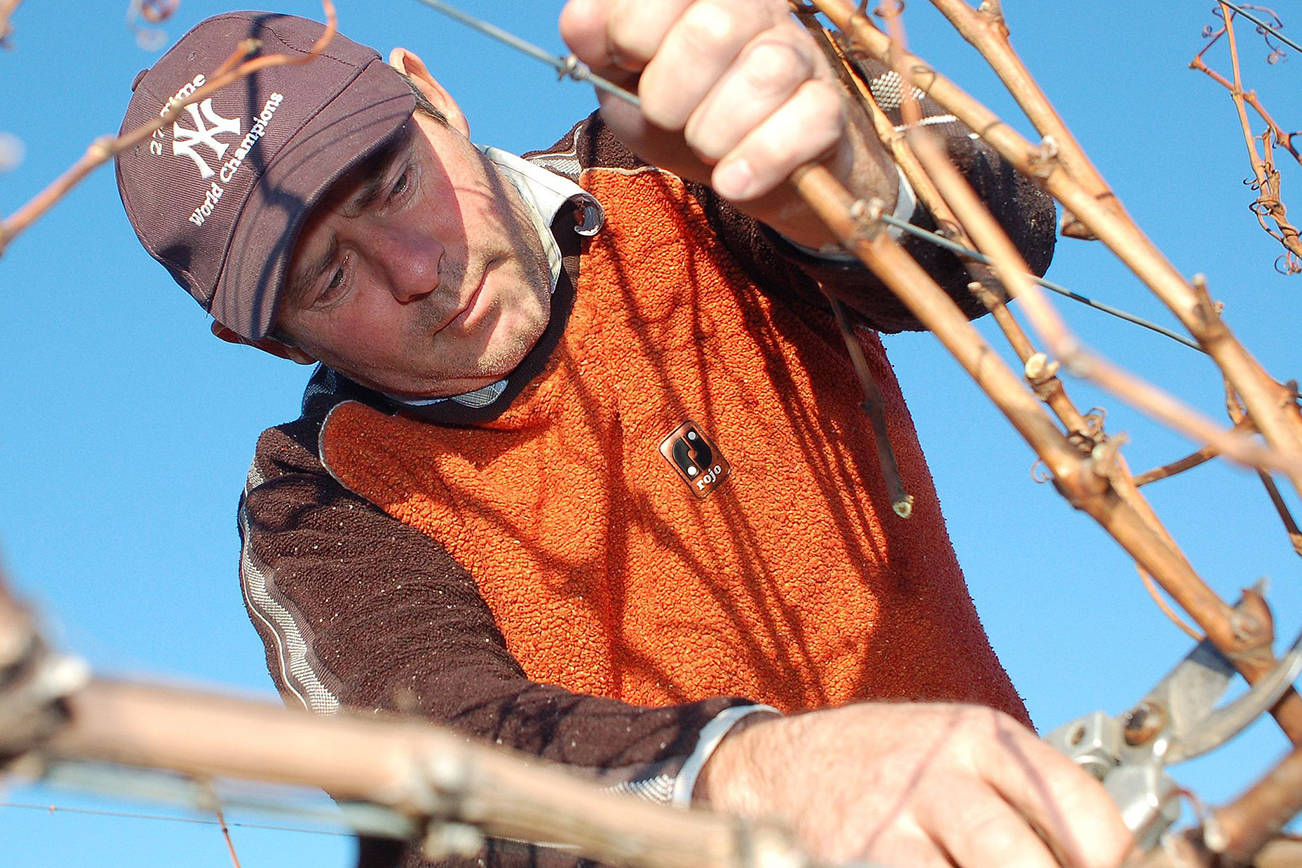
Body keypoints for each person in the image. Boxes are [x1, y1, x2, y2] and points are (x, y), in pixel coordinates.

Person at [115, 4, 1130, 868]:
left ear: (433, 94)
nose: (416, 267)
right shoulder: (318, 504)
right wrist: (744, 782)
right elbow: (437, 767)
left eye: (391, 182)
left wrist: (843, 179)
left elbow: (999, 235)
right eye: (328, 277)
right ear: (267, 343)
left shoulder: (670, 164)